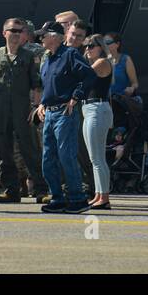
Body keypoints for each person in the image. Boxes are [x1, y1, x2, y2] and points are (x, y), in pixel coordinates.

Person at [35, 21, 95, 214]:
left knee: (66, 156)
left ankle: (78, 199)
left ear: (55, 36)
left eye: (44, 35)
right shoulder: (48, 59)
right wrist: (42, 104)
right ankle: (58, 197)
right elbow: (49, 87)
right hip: (50, 113)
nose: (41, 38)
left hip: (64, 113)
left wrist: (76, 97)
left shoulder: (70, 55)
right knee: (48, 159)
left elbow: (89, 76)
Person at [0, 17, 47, 204]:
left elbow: (37, 85)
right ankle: (11, 190)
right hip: (0, 110)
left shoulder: (29, 56)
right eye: (12, 30)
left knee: (30, 149)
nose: (16, 34)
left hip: (22, 110)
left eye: (19, 31)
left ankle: (40, 189)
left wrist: (35, 108)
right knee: (2, 151)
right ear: (4, 33)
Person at [80, 34, 115, 210]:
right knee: (95, 157)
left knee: (98, 158)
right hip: (90, 109)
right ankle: (99, 194)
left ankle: (105, 197)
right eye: (86, 46)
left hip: (96, 109)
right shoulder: (94, 63)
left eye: (91, 46)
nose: (87, 49)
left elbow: (83, 79)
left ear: (100, 47)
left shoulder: (102, 62)